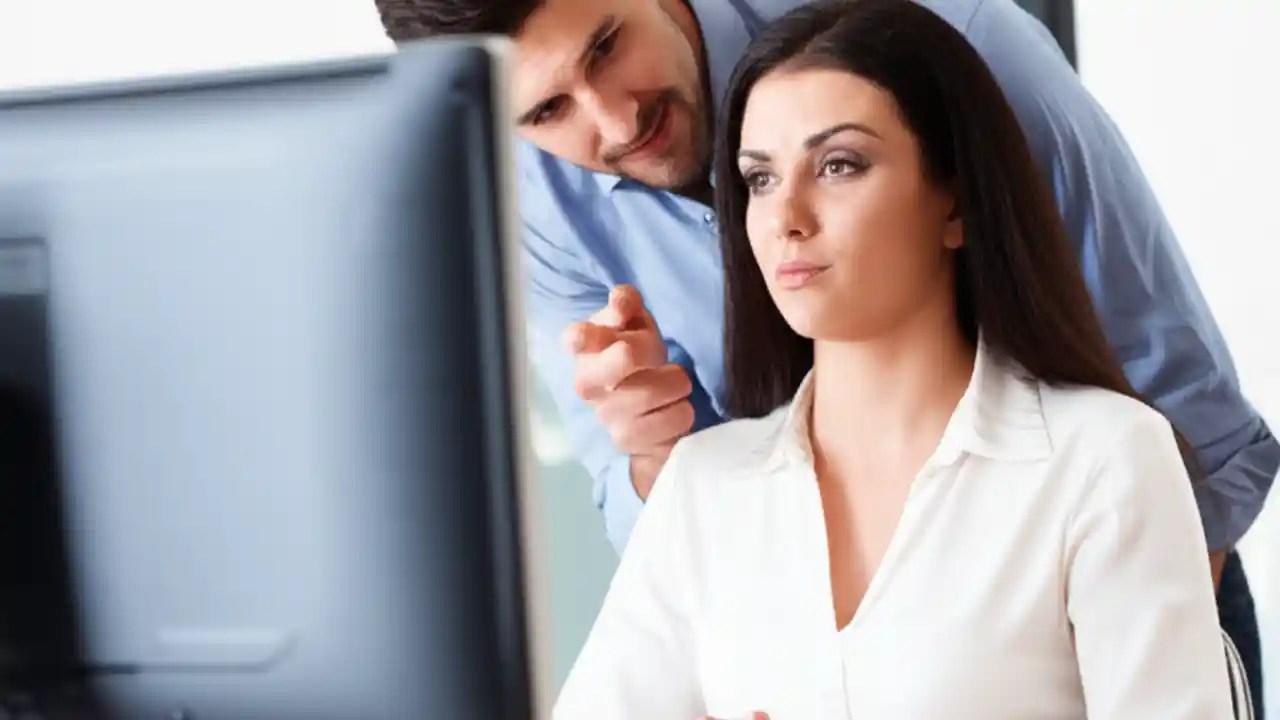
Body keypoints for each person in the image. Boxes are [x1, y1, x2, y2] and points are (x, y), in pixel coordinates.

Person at [373, 0, 1277, 706]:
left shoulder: (967, 50)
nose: (611, 123)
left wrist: (1085, 631)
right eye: (758, 177)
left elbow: (1180, 426)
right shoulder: (537, 198)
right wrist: (655, 457)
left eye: (607, 46)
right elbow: (668, 535)